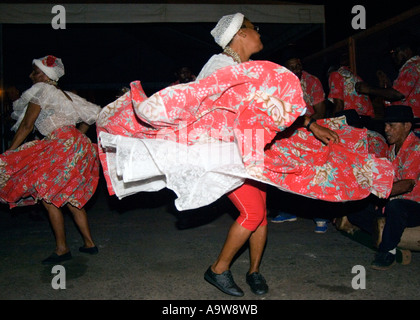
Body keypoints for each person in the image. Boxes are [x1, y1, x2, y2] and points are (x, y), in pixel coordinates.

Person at [96, 13, 394, 298]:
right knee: (252, 213)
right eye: (254, 28)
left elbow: (267, 105)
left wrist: (311, 124)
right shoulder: (219, 66)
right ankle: (218, 269)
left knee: (260, 214)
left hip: (251, 150)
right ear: (240, 34)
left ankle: (254, 271)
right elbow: (203, 105)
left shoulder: (247, 68)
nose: (259, 33)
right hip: (228, 154)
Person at [0, 55, 101, 264]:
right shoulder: (66, 95)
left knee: (48, 197)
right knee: (69, 196)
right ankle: (89, 243)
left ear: (46, 76)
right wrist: (78, 137)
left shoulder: (42, 91)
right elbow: (92, 116)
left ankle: (62, 248)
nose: (30, 75)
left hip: (60, 144)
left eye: (35, 72)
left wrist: (8, 153)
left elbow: (27, 126)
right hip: (75, 145)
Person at [346, 105, 420, 270]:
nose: (386, 129)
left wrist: (375, 194)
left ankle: (388, 251)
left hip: (413, 206)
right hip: (393, 205)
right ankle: (383, 230)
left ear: (407, 126)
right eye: (385, 125)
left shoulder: (416, 148)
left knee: (396, 207)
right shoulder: (392, 147)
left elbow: (408, 184)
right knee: (354, 209)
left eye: (391, 125)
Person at [271, 45, 329, 233]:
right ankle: (289, 210)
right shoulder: (278, 83)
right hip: (286, 133)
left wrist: (312, 128)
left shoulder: (312, 81)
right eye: (292, 66)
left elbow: (321, 111)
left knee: (313, 172)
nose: (296, 70)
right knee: (286, 172)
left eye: (298, 65)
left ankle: (321, 214)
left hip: (311, 131)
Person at [355, 33, 419, 136]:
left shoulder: (411, 67)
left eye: (394, 52)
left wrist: (369, 89)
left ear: (406, 50)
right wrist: (387, 86)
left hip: (415, 129)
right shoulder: (415, 66)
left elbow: (398, 94)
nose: (393, 56)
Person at [328, 53, 375, 119]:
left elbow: (339, 106)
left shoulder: (335, 75)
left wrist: (328, 123)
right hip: (367, 118)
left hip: (354, 119)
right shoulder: (353, 75)